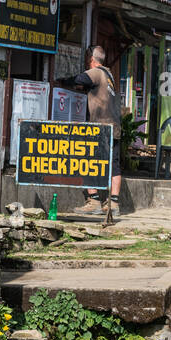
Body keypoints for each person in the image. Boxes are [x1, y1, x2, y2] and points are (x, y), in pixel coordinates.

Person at [59, 45, 123, 216]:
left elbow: (79, 79)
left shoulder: (96, 72)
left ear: (91, 59)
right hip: (114, 126)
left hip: (99, 127)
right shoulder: (109, 75)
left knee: (85, 161)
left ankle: (94, 200)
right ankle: (113, 203)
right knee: (114, 165)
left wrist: (60, 81)